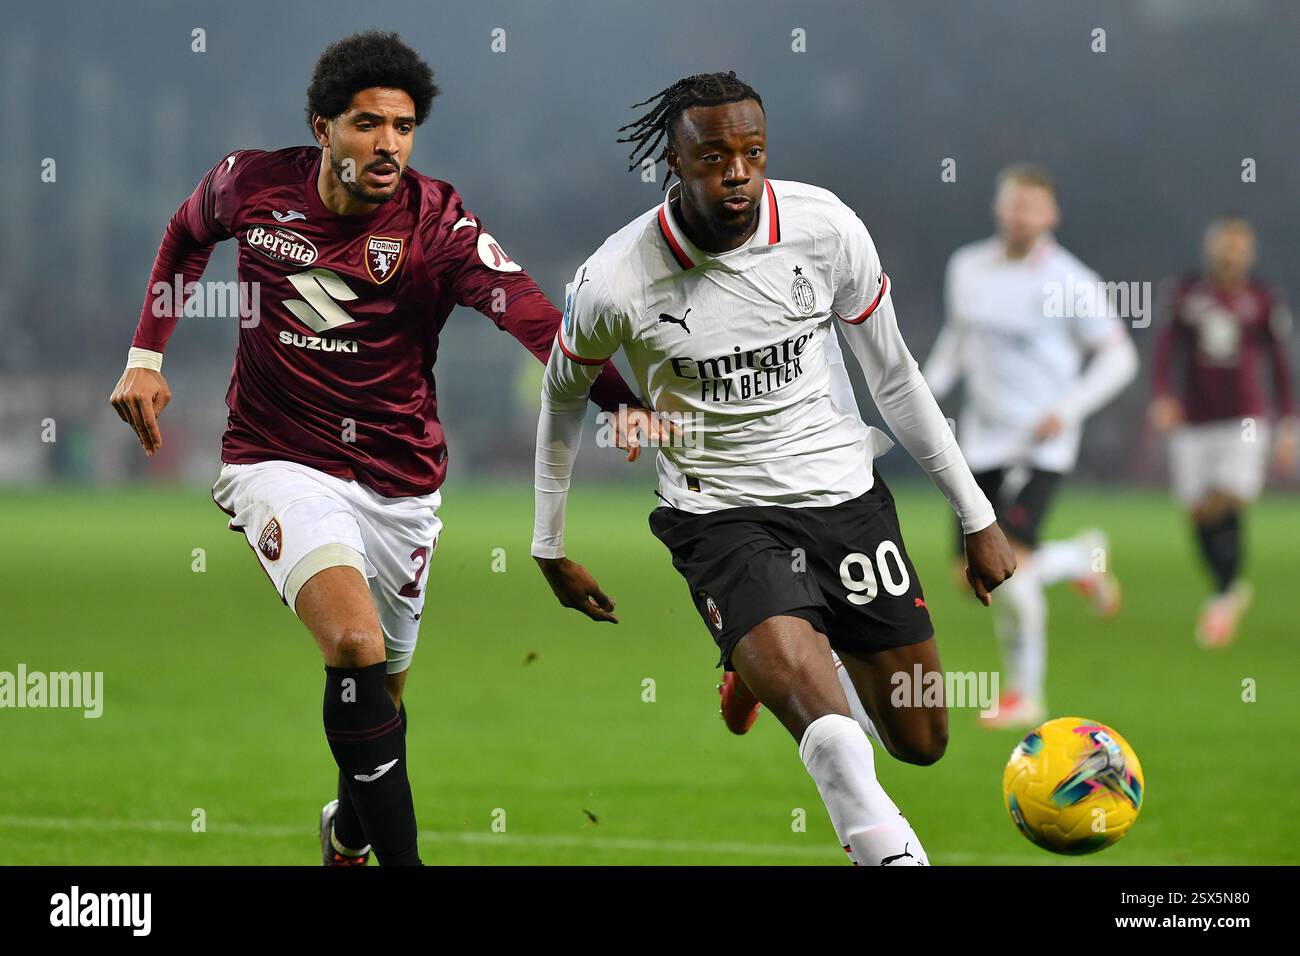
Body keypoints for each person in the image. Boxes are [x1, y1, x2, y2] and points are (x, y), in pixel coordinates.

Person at [108, 31, 655, 866]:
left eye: (402, 128)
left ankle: (346, 834)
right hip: (276, 459)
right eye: (367, 124)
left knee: (379, 700)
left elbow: (535, 316)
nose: (387, 144)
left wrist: (620, 400)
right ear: (321, 126)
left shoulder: (438, 221)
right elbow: (186, 234)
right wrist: (146, 354)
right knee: (355, 648)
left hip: (401, 486)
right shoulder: (249, 182)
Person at [529, 72, 1015, 865]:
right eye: (714, 155)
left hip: (844, 500)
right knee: (832, 738)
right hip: (720, 516)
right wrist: (548, 544)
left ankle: (757, 669)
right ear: (674, 165)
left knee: (921, 737)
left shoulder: (824, 229)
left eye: (752, 152)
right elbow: (561, 401)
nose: (738, 171)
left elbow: (894, 376)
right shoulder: (615, 279)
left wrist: (977, 515)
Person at [920, 165, 1138, 729]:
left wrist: (1066, 410)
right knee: (974, 577)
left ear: (1051, 216)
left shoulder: (1071, 281)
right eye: (1013, 204)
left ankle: (1025, 693)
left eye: (1033, 207)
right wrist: (929, 386)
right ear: (999, 207)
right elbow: (960, 338)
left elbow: (1120, 358)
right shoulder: (967, 267)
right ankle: (1080, 557)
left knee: (1009, 563)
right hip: (980, 440)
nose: (1021, 215)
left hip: (1040, 443)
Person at [1149, 215, 1296, 647]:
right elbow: (1164, 349)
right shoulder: (1185, 292)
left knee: (1228, 496)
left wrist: (1289, 422)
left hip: (1244, 419)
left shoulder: (1264, 298)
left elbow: (1282, 364)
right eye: (1224, 246)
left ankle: (1222, 599)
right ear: (1210, 249)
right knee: (1198, 510)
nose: (1231, 255)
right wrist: (1163, 396)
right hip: (1194, 419)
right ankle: (1228, 591)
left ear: (1249, 253)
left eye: (1239, 247)